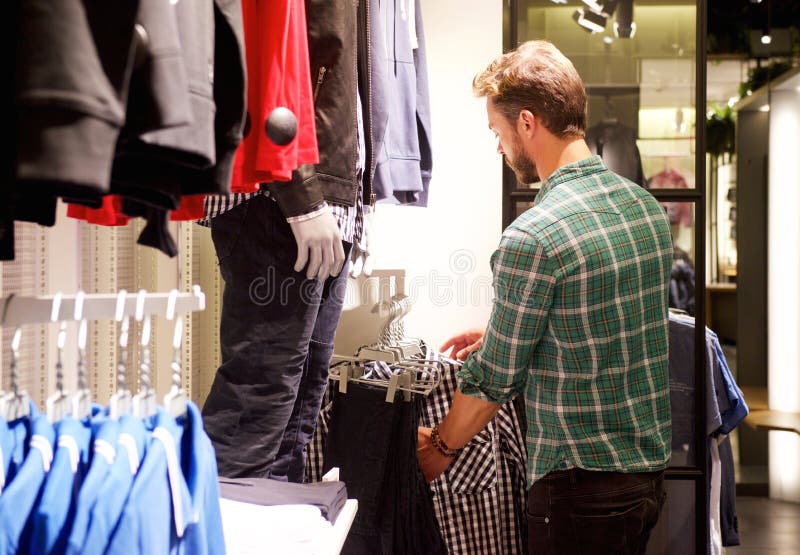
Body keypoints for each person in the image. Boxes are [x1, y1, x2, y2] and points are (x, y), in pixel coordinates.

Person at [417, 40, 673, 554]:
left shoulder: (533, 237)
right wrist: (509, 332)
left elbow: (494, 380)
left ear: (528, 123)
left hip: (579, 489)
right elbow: (608, 323)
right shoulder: (645, 209)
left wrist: (439, 447)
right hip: (646, 479)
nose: (499, 147)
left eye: (498, 131)